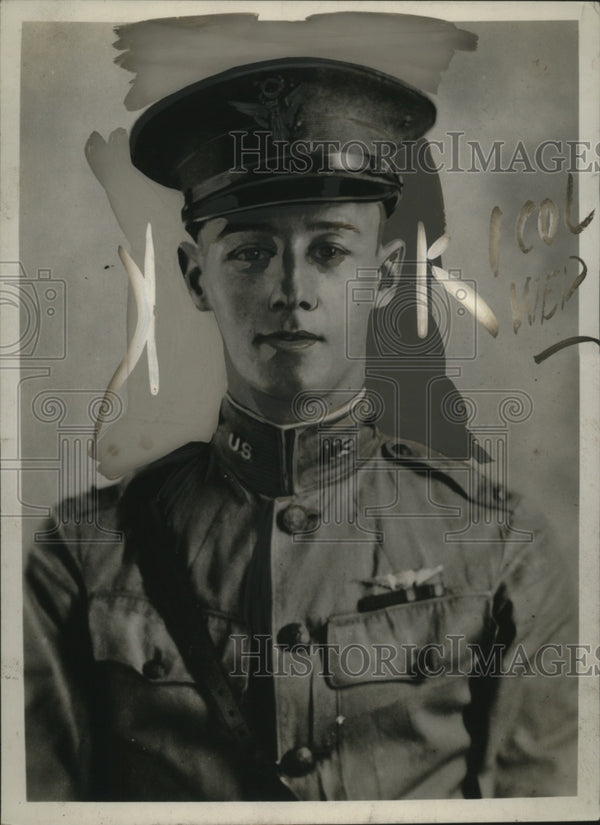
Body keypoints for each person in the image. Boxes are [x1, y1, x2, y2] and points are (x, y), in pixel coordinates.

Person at [24, 57, 577, 801]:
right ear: (195, 277)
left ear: (382, 275)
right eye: (251, 253)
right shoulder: (82, 552)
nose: (292, 292)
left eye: (328, 250)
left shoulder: (500, 547)